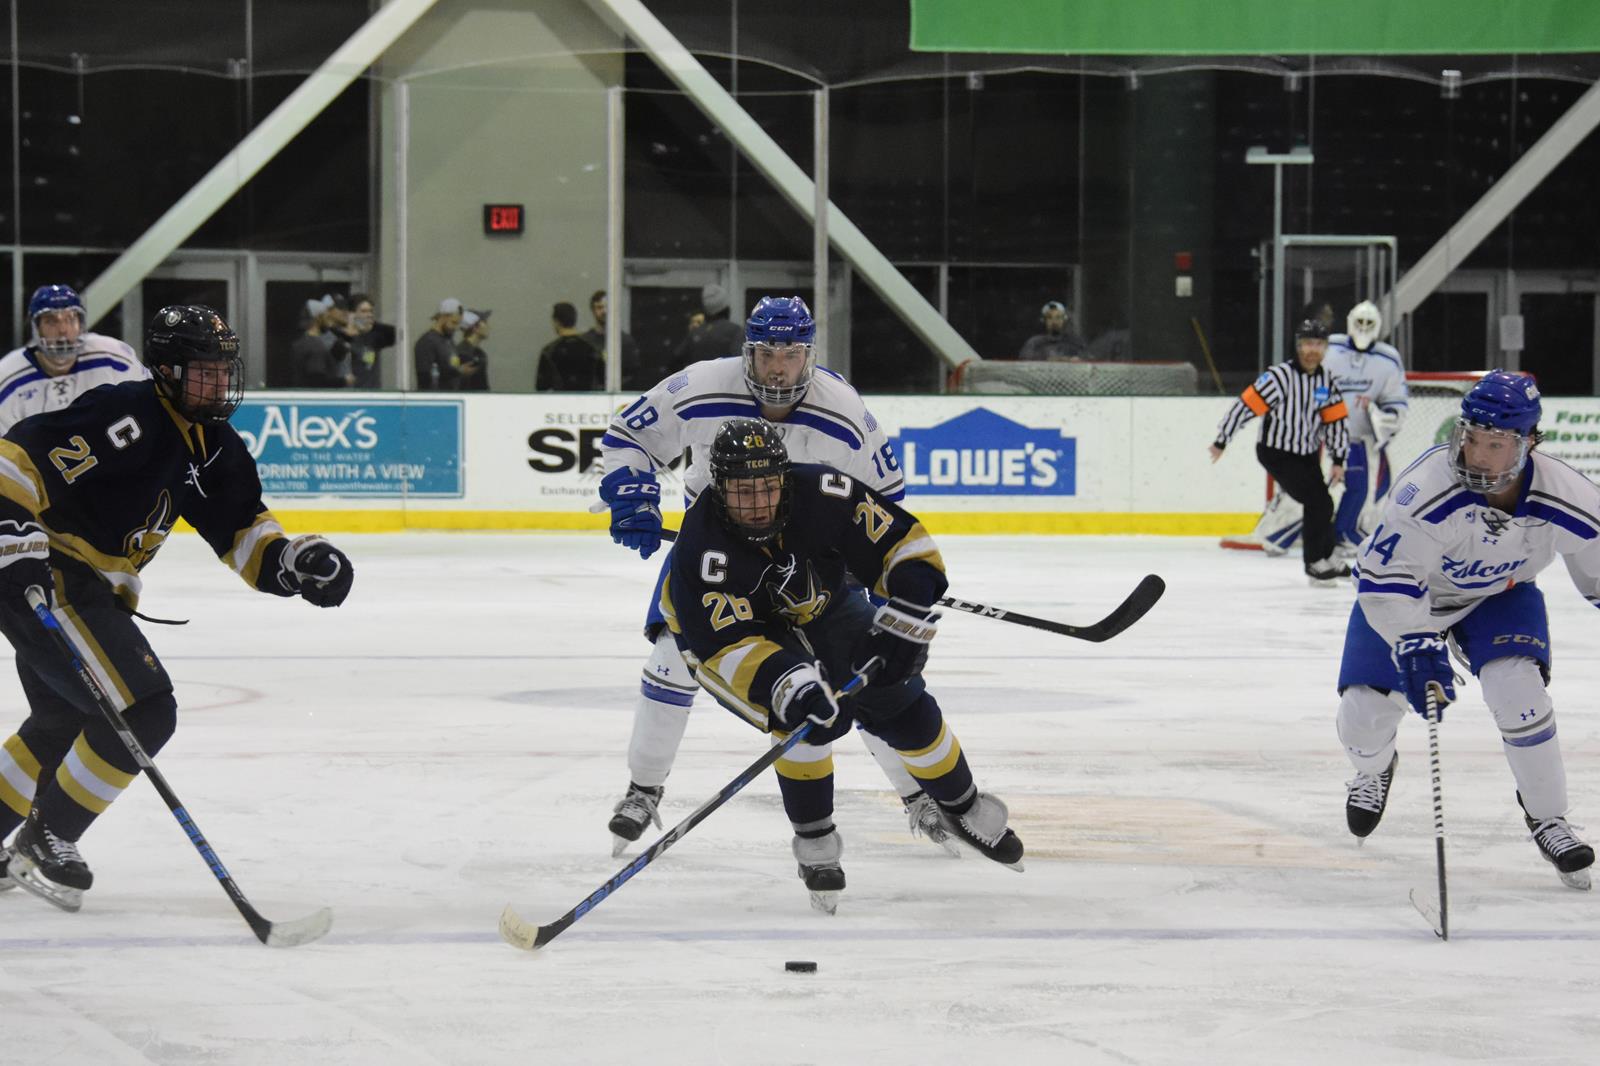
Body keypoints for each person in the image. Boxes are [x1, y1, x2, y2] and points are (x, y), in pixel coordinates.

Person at [0, 305, 354, 910]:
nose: (219, 384)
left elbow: (243, 531)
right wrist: (11, 526)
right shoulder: (127, 414)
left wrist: (297, 562)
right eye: (204, 373)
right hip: (52, 579)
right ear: (165, 370)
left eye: (224, 371)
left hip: (87, 591)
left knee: (61, 721)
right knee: (145, 709)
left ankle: (33, 831)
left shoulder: (213, 444)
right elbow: (18, 459)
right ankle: (47, 834)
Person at [596, 295, 959, 861]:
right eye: (767, 352)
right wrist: (632, 495)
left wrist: (878, 575)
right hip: (715, 555)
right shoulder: (702, 386)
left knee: (860, 670)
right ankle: (643, 789)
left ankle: (919, 795)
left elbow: (884, 502)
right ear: (749, 351)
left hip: (812, 564)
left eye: (791, 353)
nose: (778, 367)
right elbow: (629, 435)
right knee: (672, 657)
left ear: (809, 354)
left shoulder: (842, 411)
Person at [664, 417, 1024, 913]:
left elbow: (903, 543)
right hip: (730, 638)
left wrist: (906, 613)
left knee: (902, 703)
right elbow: (728, 645)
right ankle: (815, 840)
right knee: (809, 722)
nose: (756, 503)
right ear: (717, 487)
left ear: (785, 480)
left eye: (767, 487)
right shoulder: (701, 551)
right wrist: (789, 687)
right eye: (741, 491)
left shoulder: (823, 492)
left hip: (824, 602)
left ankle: (963, 805)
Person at [1337, 371, 1596, 889]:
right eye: (1471, 437)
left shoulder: (1567, 494)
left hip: (1500, 596)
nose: (1477, 454)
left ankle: (1548, 817)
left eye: (1495, 444)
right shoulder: (1424, 490)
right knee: (1366, 713)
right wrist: (1413, 639)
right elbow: (1385, 583)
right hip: (1412, 599)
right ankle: (1373, 769)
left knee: (1517, 691)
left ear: (1528, 444)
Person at [1210, 318, 1350, 585]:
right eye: (1308, 343)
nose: (1313, 350)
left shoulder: (1326, 381)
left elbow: (1336, 421)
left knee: (1324, 503)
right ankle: (1314, 564)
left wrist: (1339, 458)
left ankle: (1328, 556)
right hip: (1276, 452)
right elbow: (1245, 406)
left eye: (1319, 344)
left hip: (1307, 454)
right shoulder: (1279, 377)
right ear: (1298, 346)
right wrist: (1222, 439)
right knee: (1317, 502)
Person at [0, 284, 148, 431]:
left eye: (70, 319)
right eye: (51, 321)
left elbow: (150, 406)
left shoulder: (115, 358)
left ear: (81, 323)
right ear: (36, 328)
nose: (63, 330)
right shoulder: (7, 377)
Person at [1324, 300, 1409, 555]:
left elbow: (1396, 403)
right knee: (1312, 489)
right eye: (1359, 322)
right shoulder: (1329, 347)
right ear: (1349, 323)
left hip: (1362, 440)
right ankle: (1335, 533)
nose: (1363, 328)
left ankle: (1343, 532)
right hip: (1325, 436)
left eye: (1368, 323)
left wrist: (1383, 419)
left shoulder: (1388, 358)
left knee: (1377, 485)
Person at [671, 283, 744, 371]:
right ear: (727, 308)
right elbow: (741, 363)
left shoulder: (696, 332)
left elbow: (675, 361)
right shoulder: (734, 331)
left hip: (697, 381)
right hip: (723, 382)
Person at [535, 302, 605, 391]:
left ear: (556, 322)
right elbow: (603, 380)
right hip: (587, 401)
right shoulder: (592, 349)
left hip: (561, 402)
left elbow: (541, 386)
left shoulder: (549, 351)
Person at [581, 290, 640, 388]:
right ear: (593, 310)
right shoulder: (585, 341)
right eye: (599, 307)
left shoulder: (625, 341)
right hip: (590, 397)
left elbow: (632, 374)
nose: (604, 311)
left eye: (607, 307)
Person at [292, 296, 353, 388]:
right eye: (326, 317)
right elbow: (317, 382)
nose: (329, 322)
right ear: (318, 318)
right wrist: (344, 380)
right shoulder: (316, 346)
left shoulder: (300, 342)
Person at [344, 293, 396, 389]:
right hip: (349, 395)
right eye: (364, 311)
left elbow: (396, 333)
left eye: (370, 311)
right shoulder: (342, 337)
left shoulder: (372, 337)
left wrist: (373, 325)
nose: (369, 315)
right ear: (351, 314)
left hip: (371, 394)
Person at [414, 297, 463, 390]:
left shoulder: (449, 341)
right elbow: (424, 378)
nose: (456, 327)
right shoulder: (428, 342)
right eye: (454, 322)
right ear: (444, 317)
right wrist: (458, 372)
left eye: (458, 324)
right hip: (436, 399)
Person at [1018, 300, 1087, 361]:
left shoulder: (1075, 342)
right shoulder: (1034, 343)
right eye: (1049, 317)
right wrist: (1046, 359)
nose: (1054, 321)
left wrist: (1075, 360)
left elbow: (1089, 359)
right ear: (1043, 321)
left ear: (1064, 320)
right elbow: (1024, 359)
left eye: (1058, 317)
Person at [456, 309, 491, 393]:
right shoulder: (463, 353)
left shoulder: (479, 353)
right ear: (475, 327)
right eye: (485, 322)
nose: (489, 326)